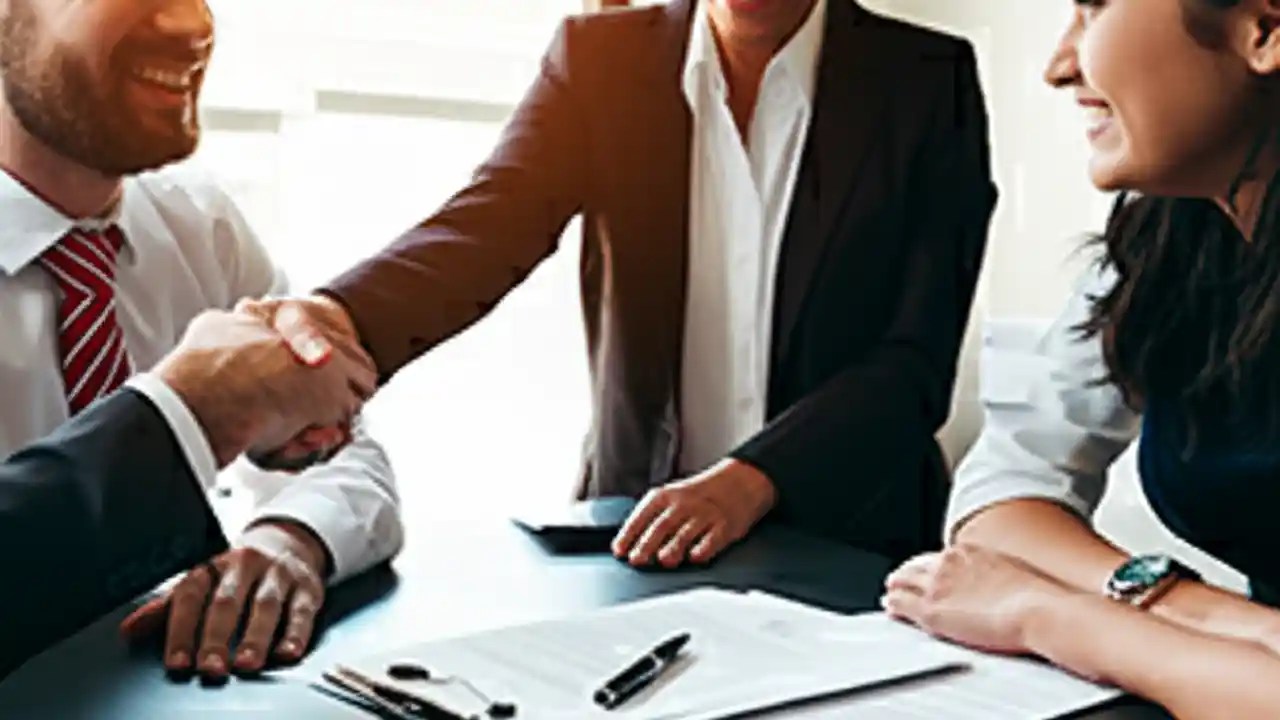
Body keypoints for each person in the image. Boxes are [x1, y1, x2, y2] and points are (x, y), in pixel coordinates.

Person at [242, 0, 998, 568]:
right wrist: (336, 322)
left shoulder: (928, 83)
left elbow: (913, 364)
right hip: (638, 536)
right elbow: (487, 228)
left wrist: (754, 479)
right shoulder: (600, 61)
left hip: (855, 547)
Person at [882, 0, 1280, 716]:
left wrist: (1048, 615)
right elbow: (1004, 495)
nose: (1060, 65)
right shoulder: (1167, 232)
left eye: (1095, 8)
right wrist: (1209, 617)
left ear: (1266, 29)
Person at [0, 0, 404, 681]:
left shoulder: (202, 224)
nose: (192, 23)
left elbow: (344, 452)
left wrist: (292, 537)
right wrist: (189, 414)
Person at [0, 309, 374, 680]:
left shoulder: (206, 249)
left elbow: (348, 444)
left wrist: (289, 534)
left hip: (162, 674)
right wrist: (191, 409)